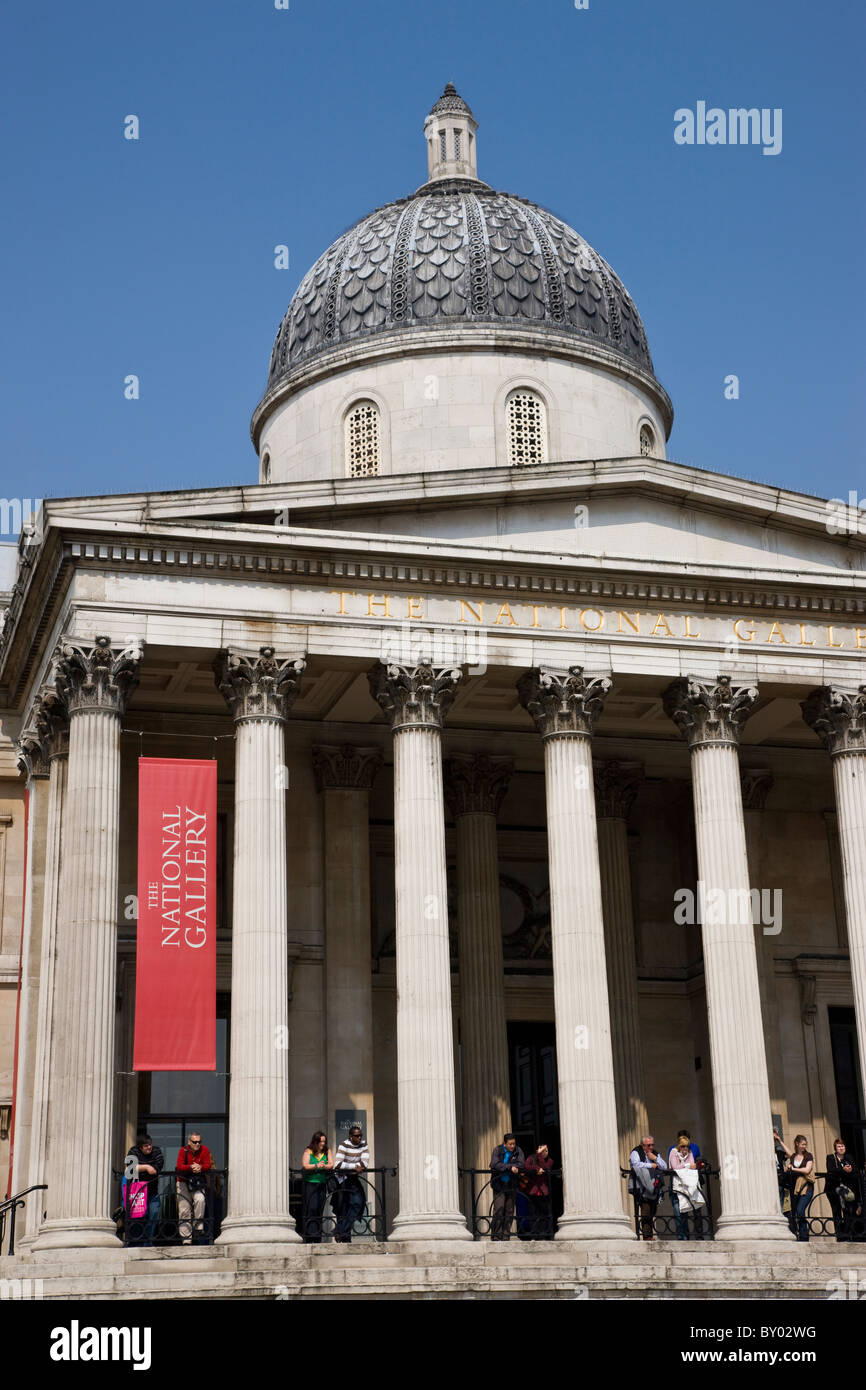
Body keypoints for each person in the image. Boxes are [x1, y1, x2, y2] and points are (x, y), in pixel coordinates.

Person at [124, 1134, 164, 1246]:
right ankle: (137, 1242)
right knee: (139, 1216)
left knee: (154, 1213)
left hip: (152, 1191)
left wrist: (139, 1168)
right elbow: (129, 1169)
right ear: (140, 1147)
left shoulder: (156, 1151)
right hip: (137, 1192)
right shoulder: (133, 1151)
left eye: (150, 1144)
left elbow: (157, 1167)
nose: (149, 1147)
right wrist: (146, 1167)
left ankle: (148, 1241)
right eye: (146, 1146)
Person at [332, 1125, 370, 1243]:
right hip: (342, 1179)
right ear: (350, 1136)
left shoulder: (364, 1145)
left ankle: (339, 1230)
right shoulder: (344, 1145)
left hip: (353, 1178)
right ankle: (344, 1235)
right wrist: (354, 1166)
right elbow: (338, 1165)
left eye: (360, 1135)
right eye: (356, 1136)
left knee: (359, 1203)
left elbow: (364, 1164)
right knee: (343, 1207)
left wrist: (354, 1167)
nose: (359, 1138)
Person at [628, 1135, 668, 1240]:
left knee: (653, 1210)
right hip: (640, 1186)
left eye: (652, 1145)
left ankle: (649, 1234)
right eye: (648, 1145)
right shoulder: (636, 1152)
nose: (651, 1147)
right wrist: (651, 1165)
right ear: (642, 1145)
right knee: (645, 1209)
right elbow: (635, 1165)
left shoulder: (654, 1153)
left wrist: (654, 1159)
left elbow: (664, 1166)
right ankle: (647, 1236)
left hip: (653, 1186)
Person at [176, 1132, 213, 1245]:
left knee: (200, 1199)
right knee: (184, 1210)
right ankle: (186, 1239)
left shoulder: (205, 1150)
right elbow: (179, 1166)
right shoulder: (183, 1151)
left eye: (199, 1142)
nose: (197, 1144)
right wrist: (191, 1167)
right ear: (189, 1142)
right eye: (194, 1142)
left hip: (196, 1182)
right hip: (182, 1182)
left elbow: (208, 1165)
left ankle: (198, 1227)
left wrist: (200, 1167)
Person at [668, 1134, 706, 1240]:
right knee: (679, 1212)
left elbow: (693, 1165)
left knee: (694, 1208)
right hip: (678, 1186)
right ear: (679, 1146)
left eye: (687, 1146)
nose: (686, 1149)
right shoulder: (673, 1152)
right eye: (683, 1146)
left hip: (689, 1184)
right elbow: (675, 1167)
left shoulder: (689, 1153)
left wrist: (688, 1165)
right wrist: (687, 1165)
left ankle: (698, 1235)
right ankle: (682, 1237)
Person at [778, 1133, 814, 1241]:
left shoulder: (808, 1156)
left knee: (800, 1210)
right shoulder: (793, 1157)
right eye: (802, 1144)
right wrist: (780, 1140)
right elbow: (789, 1154)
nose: (804, 1146)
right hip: (795, 1189)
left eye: (805, 1144)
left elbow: (807, 1170)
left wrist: (793, 1169)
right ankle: (797, 1234)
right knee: (794, 1213)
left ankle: (804, 1234)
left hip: (806, 1188)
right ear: (797, 1144)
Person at [490, 1133, 525, 1240]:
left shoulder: (518, 1151)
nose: (512, 1146)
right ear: (505, 1144)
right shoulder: (497, 1150)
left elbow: (521, 1164)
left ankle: (506, 1236)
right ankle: (496, 1236)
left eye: (513, 1144)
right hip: (499, 1184)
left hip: (511, 1184)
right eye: (510, 1144)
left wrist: (511, 1167)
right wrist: (510, 1167)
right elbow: (495, 1164)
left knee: (509, 1210)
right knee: (499, 1209)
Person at [824, 1138, 859, 1242]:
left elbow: (856, 1171)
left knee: (847, 1211)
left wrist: (851, 1170)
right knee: (837, 1211)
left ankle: (848, 1234)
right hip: (833, 1190)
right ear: (835, 1148)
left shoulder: (849, 1158)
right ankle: (840, 1235)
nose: (841, 1148)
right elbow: (831, 1170)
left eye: (842, 1146)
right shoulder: (831, 1158)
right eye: (839, 1146)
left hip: (846, 1190)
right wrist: (843, 1170)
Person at [301, 1130, 333, 1243]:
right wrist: (316, 1165)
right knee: (312, 1208)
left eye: (324, 1141)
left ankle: (318, 1236)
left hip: (322, 1184)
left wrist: (324, 1167)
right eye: (321, 1141)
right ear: (316, 1141)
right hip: (311, 1184)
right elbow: (305, 1165)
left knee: (320, 1209)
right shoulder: (308, 1151)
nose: (323, 1144)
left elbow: (331, 1164)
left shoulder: (327, 1151)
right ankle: (310, 1236)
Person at [522, 1142, 554, 1239]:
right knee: (533, 1213)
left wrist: (539, 1156)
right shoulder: (531, 1158)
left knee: (543, 1213)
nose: (544, 1152)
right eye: (542, 1150)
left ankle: (544, 1234)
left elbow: (545, 1166)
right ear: (537, 1150)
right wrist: (536, 1168)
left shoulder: (550, 1160)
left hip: (543, 1191)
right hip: (532, 1190)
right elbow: (526, 1166)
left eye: (546, 1150)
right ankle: (534, 1235)